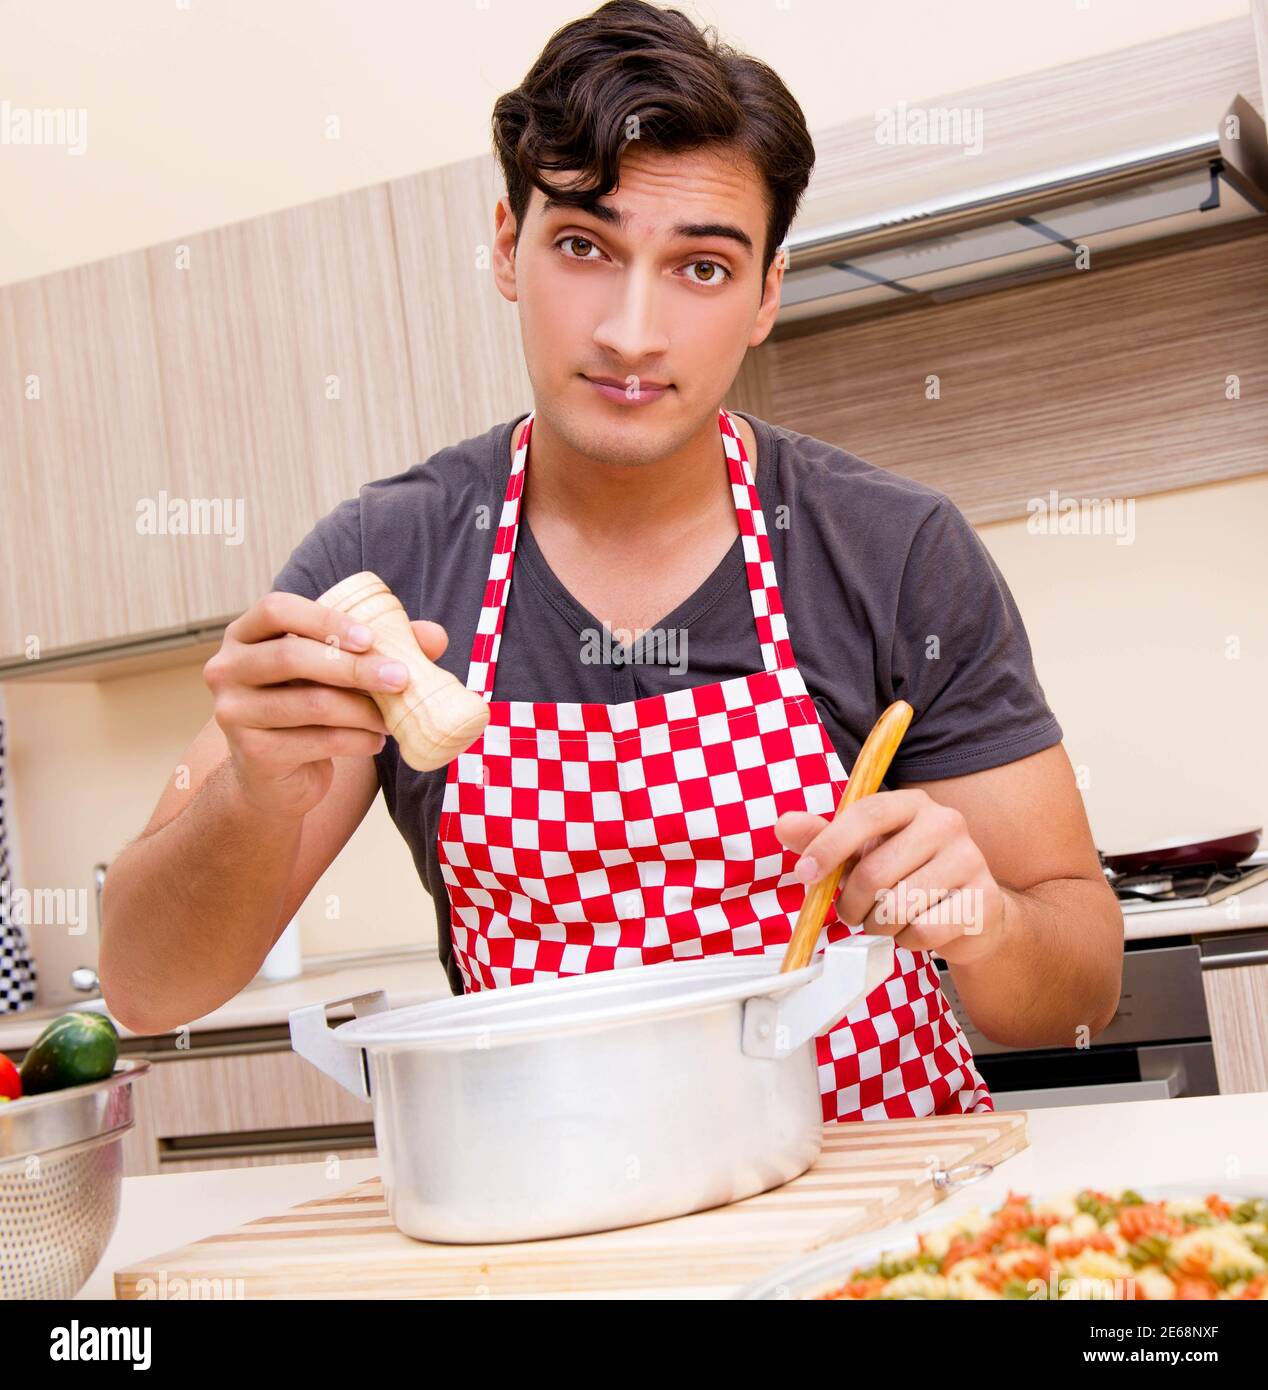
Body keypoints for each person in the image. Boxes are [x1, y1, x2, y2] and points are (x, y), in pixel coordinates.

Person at [101, 0, 1122, 1122]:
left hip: (875, 1217)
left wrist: (979, 912)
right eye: (584, 246)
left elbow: (1076, 991)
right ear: (506, 246)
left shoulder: (890, 550)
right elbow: (149, 990)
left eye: (699, 268)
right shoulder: (385, 560)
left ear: (766, 294)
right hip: (559, 1228)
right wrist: (249, 793)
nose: (631, 332)